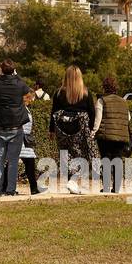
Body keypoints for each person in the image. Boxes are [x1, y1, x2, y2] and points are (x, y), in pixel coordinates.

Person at [0, 59, 35, 196]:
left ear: (2, 70)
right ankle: (10, 189)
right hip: (15, 125)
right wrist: (16, 75)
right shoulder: (19, 84)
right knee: (13, 160)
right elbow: (26, 89)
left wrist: (1, 76)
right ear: (13, 70)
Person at [50, 65, 99, 194]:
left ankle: (70, 182)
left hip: (62, 128)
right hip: (80, 128)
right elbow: (92, 113)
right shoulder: (85, 93)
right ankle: (73, 181)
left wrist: (51, 130)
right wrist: (92, 130)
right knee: (85, 156)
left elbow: (53, 112)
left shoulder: (59, 93)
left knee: (66, 156)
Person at [95, 77, 132, 194]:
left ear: (104, 87)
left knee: (106, 160)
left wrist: (93, 132)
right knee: (117, 160)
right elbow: (128, 118)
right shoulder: (123, 101)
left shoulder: (102, 100)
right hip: (121, 136)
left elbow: (98, 119)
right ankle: (116, 188)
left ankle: (106, 187)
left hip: (105, 137)